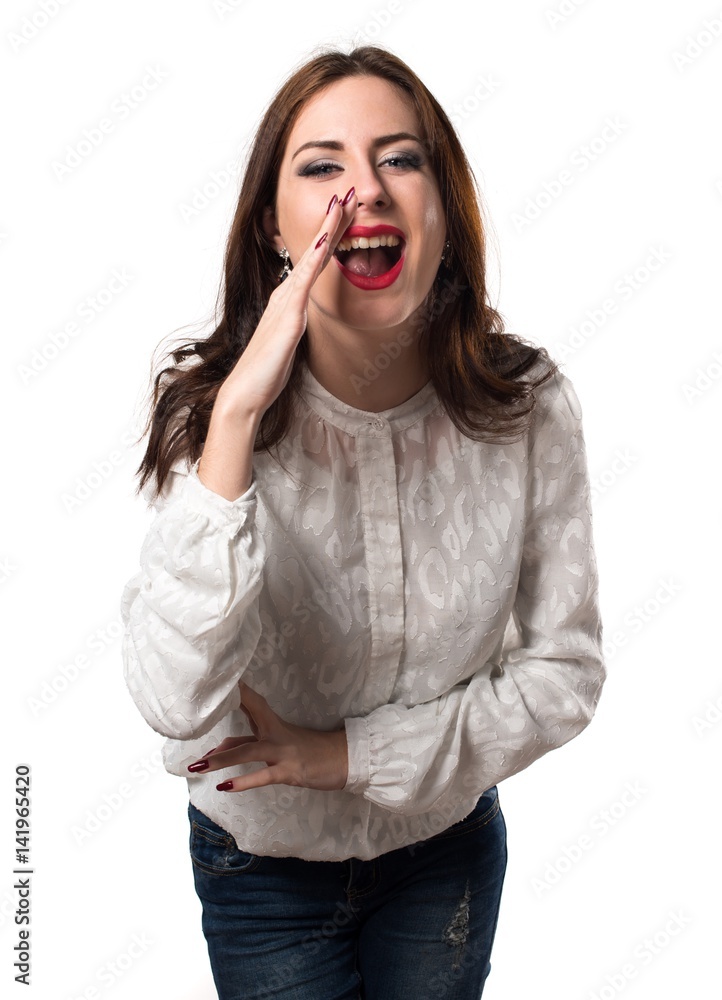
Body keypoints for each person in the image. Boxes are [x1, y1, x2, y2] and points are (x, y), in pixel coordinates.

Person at [120, 44, 606, 1000]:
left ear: (442, 209)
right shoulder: (208, 416)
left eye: (400, 159)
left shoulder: (529, 405)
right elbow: (176, 705)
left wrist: (347, 758)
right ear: (273, 226)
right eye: (323, 166)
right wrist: (234, 421)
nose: (366, 191)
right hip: (261, 872)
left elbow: (565, 675)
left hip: (444, 855)